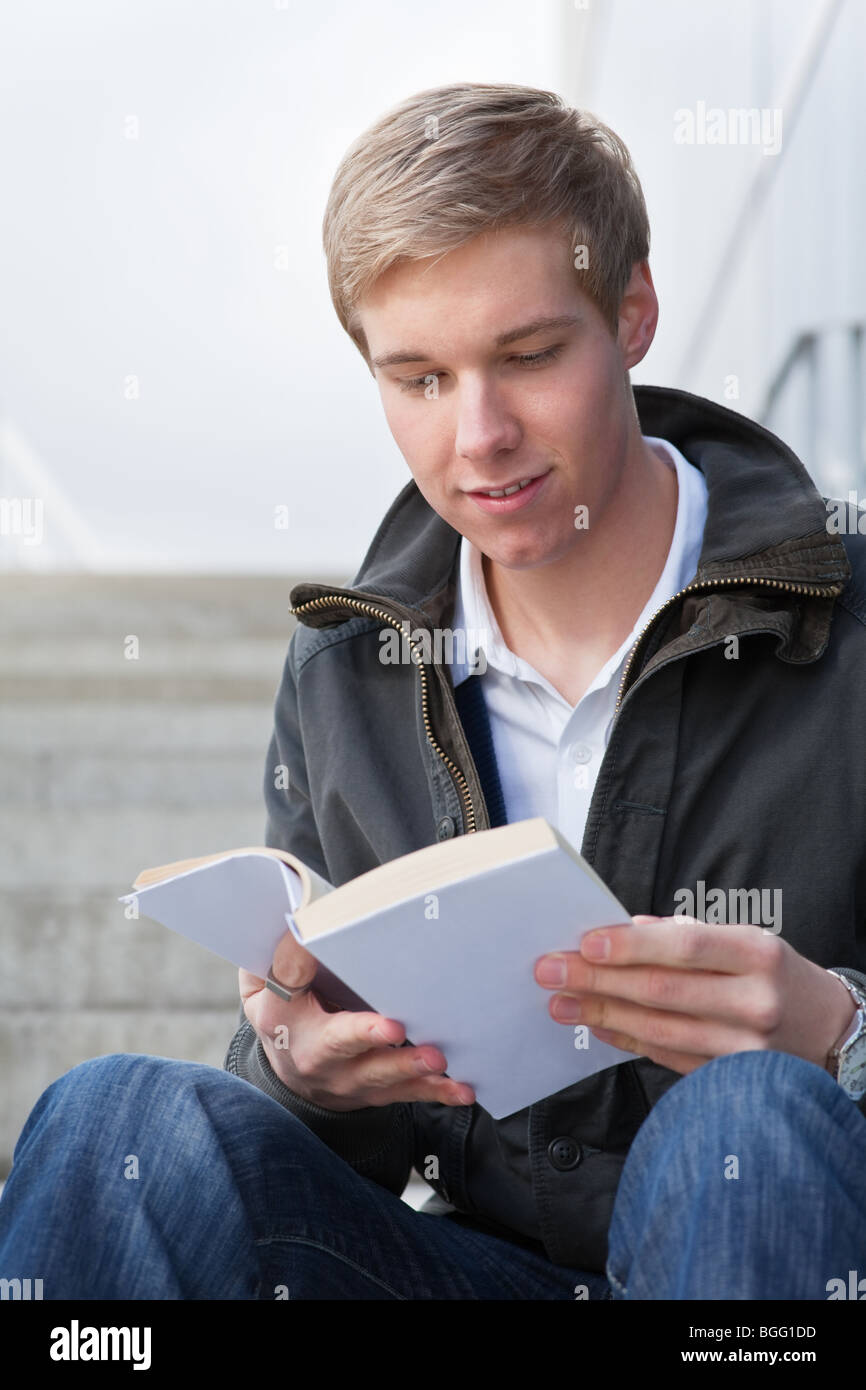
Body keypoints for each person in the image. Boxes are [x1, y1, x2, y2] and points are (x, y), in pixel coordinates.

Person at [2, 81, 865, 1301]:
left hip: (772, 1259)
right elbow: (320, 1127)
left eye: (526, 356)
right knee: (114, 1121)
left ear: (631, 312)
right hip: (460, 1267)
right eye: (417, 379)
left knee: (752, 1125)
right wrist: (298, 1068)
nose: (478, 437)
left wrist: (843, 1036)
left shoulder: (847, 614)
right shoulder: (346, 669)